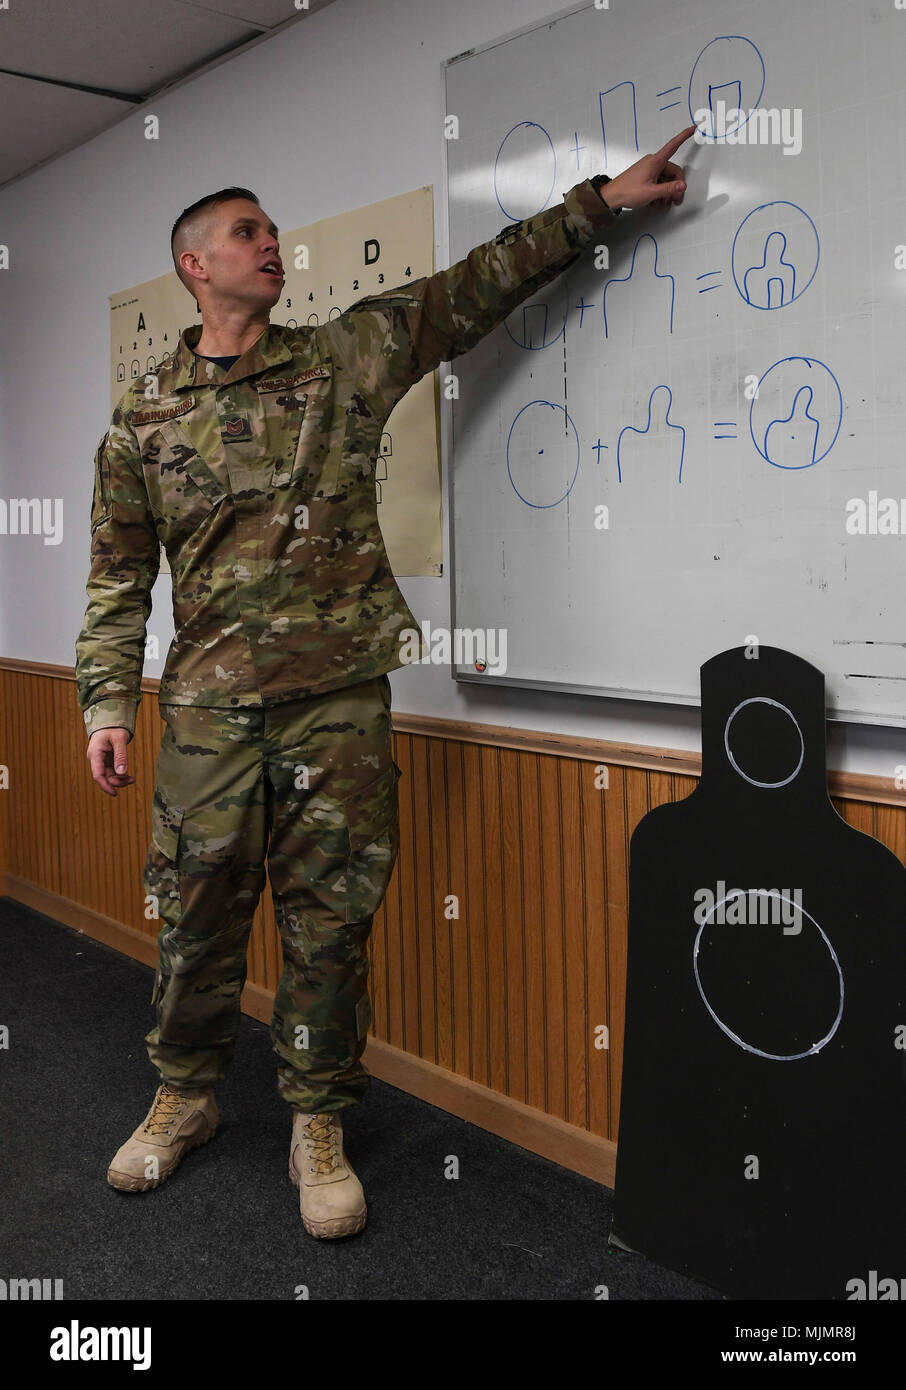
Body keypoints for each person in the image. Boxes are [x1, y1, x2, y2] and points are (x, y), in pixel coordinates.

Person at [74, 126, 693, 1239]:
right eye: (246, 233)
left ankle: (318, 1120)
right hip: (209, 711)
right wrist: (105, 704)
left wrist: (600, 200)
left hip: (339, 702)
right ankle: (186, 1094)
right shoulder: (142, 420)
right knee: (196, 912)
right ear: (195, 267)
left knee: (329, 922)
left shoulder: (344, 356)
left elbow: (473, 288)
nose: (273, 248)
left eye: (271, 232)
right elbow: (118, 576)